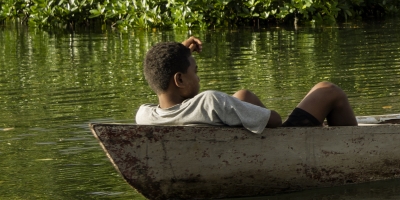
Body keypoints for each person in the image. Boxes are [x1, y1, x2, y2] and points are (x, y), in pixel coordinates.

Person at [135, 36, 357, 131]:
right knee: (328, 90)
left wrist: (180, 53)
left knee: (243, 95)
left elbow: (164, 76)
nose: (199, 77)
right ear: (180, 79)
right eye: (196, 71)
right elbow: (275, 121)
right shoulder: (211, 102)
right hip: (280, 147)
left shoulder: (143, 116)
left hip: (180, 89)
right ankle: (355, 151)